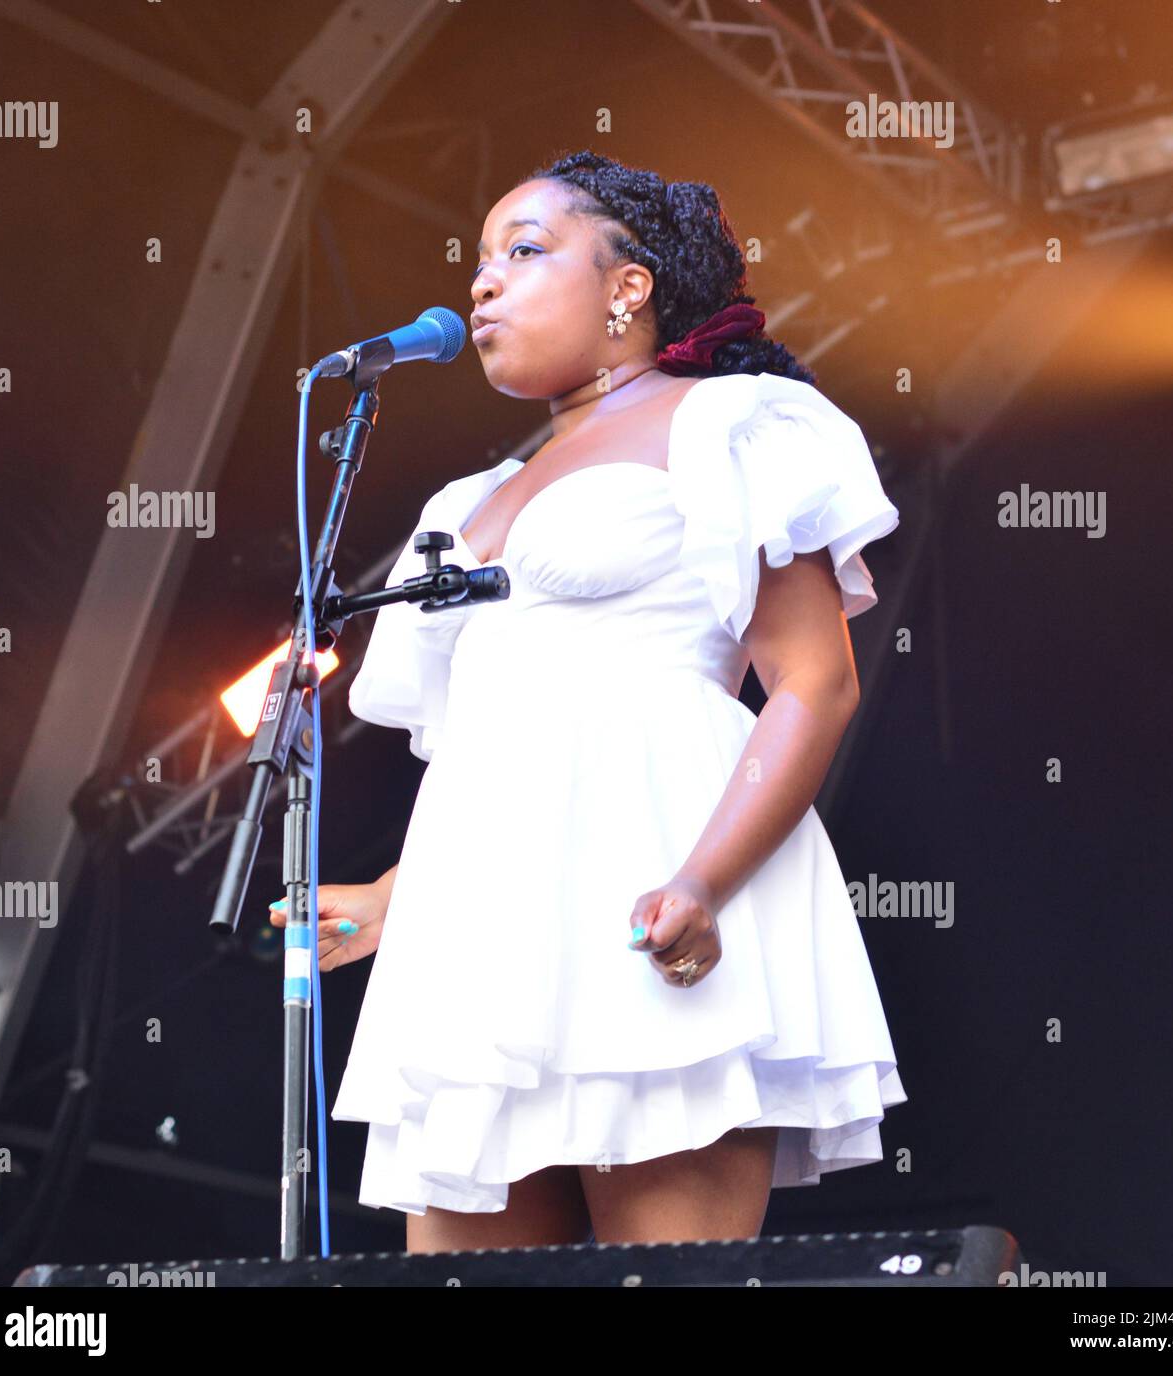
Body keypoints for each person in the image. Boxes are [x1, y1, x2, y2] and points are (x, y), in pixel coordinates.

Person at [270, 149, 907, 1254]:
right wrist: (392, 895)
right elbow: (504, 747)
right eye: (477, 261)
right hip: (484, 929)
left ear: (630, 286)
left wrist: (704, 880)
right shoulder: (466, 500)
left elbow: (814, 679)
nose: (482, 284)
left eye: (523, 251)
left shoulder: (726, 423)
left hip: (656, 876)